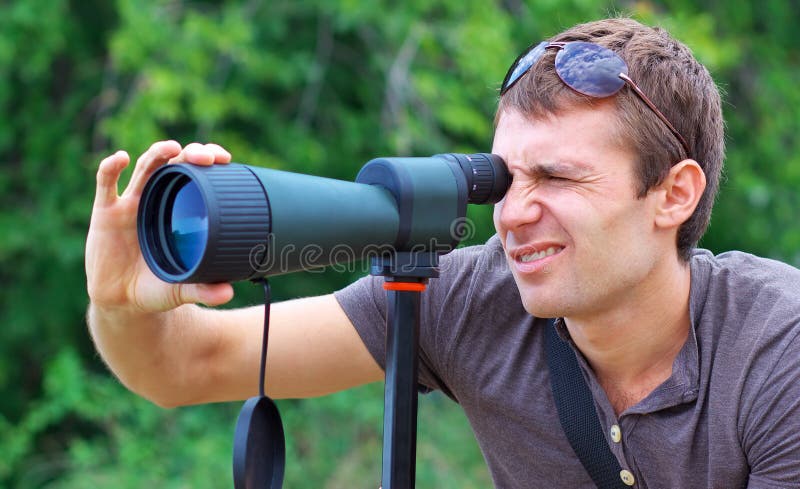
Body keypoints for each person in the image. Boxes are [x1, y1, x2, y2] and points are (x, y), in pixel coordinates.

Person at [86, 17, 800, 488]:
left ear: (673, 194)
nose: (514, 212)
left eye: (557, 177)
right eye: (503, 176)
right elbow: (187, 364)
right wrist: (120, 301)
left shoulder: (776, 347)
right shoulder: (468, 295)